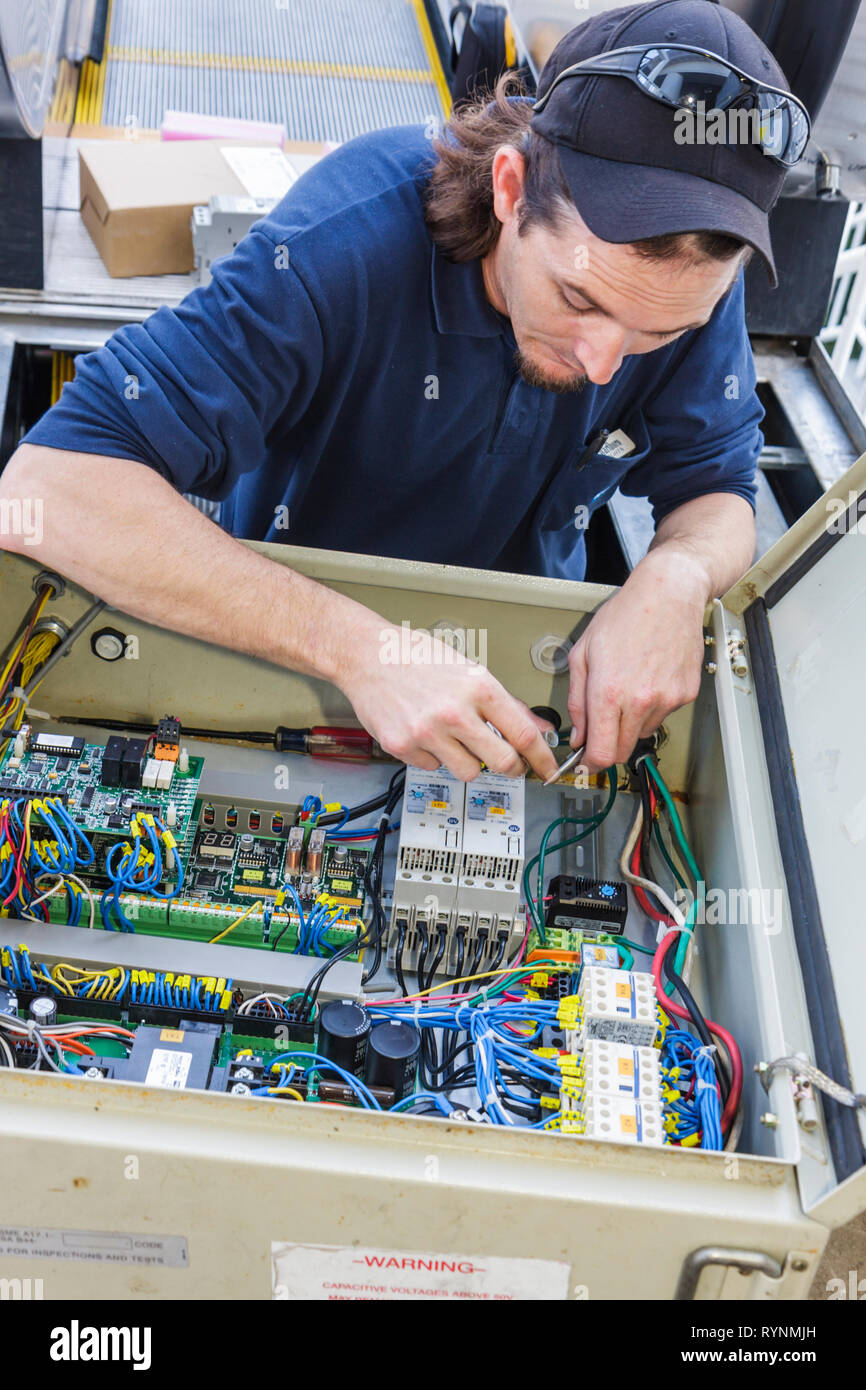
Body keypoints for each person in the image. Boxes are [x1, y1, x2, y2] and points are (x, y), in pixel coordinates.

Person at [0, 0, 807, 782]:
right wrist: (363, 651)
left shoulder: (679, 282)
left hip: (518, 681)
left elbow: (719, 486)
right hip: (287, 658)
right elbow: (49, 488)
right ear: (510, 188)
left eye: (655, 336)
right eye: (578, 301)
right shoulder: (340, 247)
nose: (606, 364)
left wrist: (676, 578)